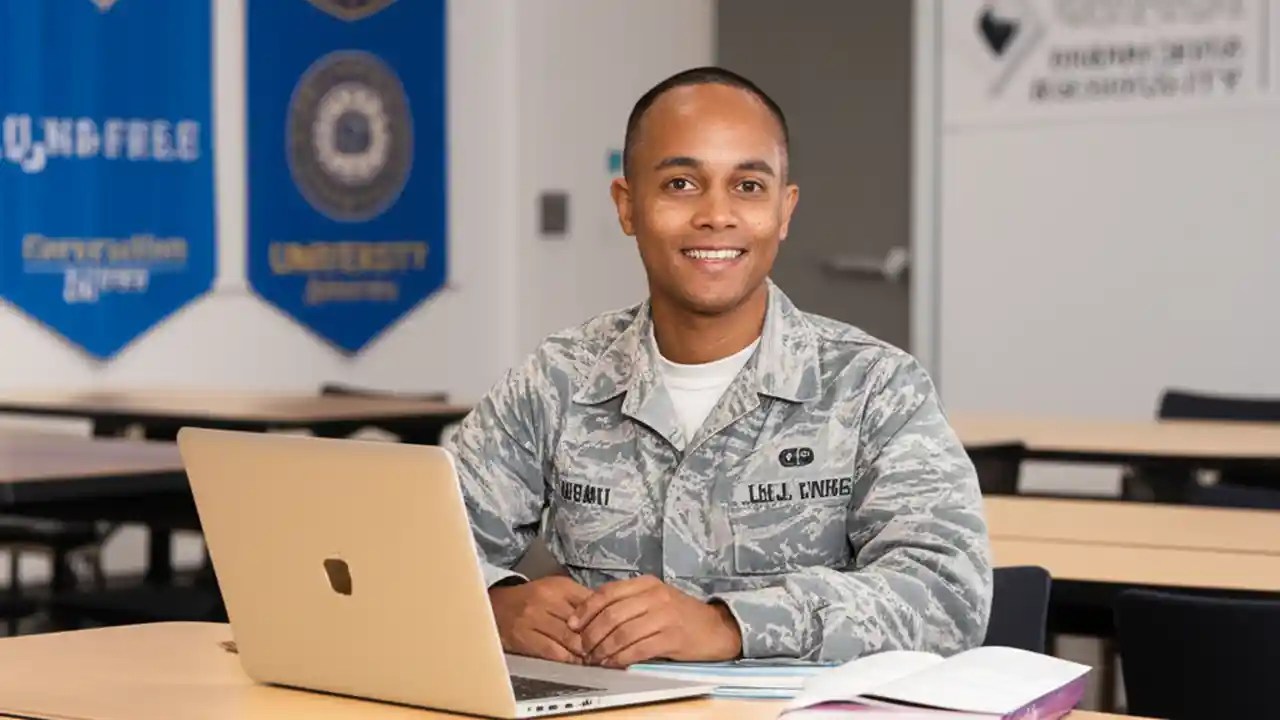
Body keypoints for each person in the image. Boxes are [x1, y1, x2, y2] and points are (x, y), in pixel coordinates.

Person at [446, 66, 992, 669]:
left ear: (785, 212)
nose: (716, 214)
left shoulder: (874, 388)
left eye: (749, 187)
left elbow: (946, 596)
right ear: (627, 206)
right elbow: (412, 550)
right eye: (681, 183)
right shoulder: (558, 382)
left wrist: (730, 625)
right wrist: (495, 605)